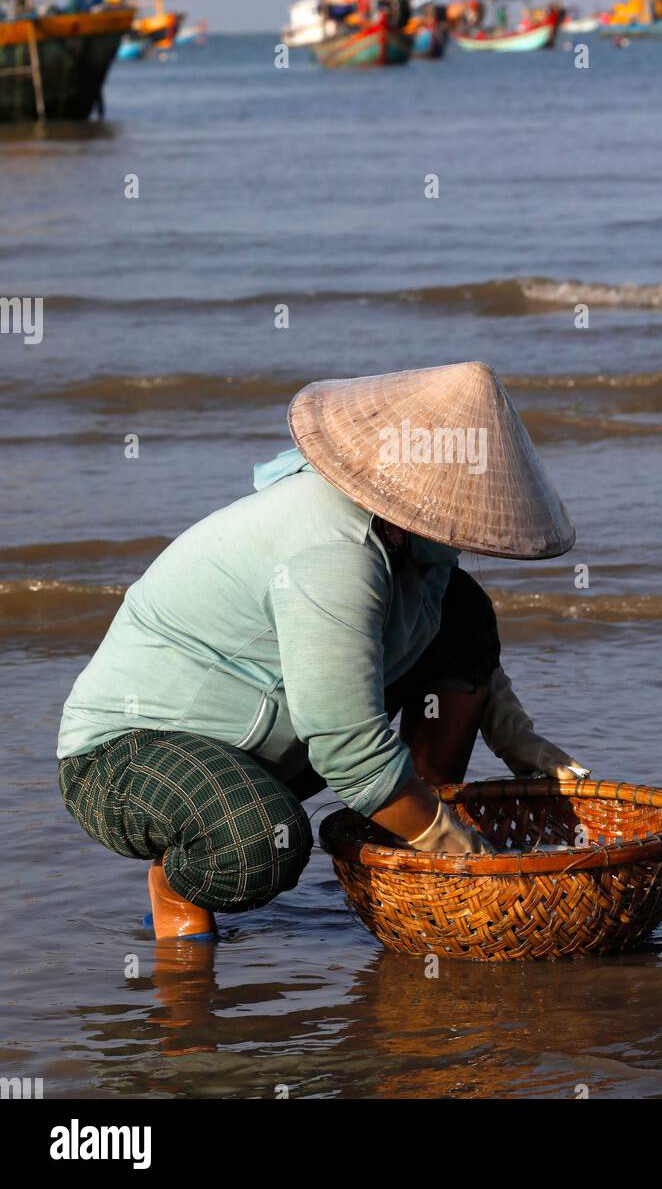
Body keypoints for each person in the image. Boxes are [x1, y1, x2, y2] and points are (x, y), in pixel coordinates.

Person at [58, 361, 587, 940]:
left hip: (268, 745)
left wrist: (516, 737)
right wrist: (465, 852)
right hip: (129, 754)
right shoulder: (331, 551)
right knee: (258, 842)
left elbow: (461, 641)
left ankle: (414, 825)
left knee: (464, 608)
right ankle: (177, 887)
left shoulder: (415, 541)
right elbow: (348, 746)